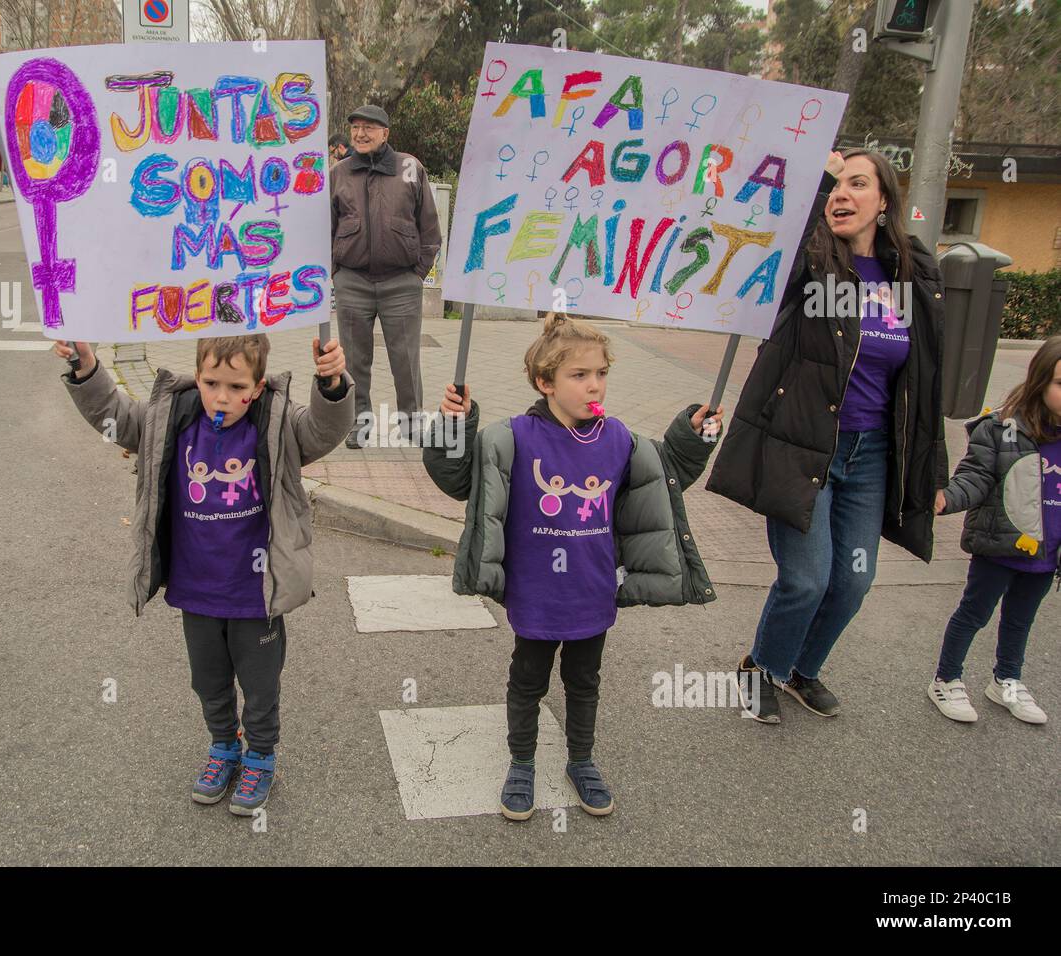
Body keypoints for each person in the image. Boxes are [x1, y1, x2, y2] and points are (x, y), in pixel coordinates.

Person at [423, 314, 723, 820]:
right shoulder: (512, 438)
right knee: (528, 680)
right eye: (579, 375)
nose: (594, 385)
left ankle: (581, 760)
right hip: (536, 592)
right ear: (546, 382)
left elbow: (665, 475)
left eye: (601, 373)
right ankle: (521, 763)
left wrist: (699, 434)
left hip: (593, 590)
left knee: (585, 681)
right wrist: (454, 425)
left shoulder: (618, 439)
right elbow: (456, 477)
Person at [54, 334, 353, 814]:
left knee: (260, 685)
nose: (222, 397)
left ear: (257, 387)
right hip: (196, 590)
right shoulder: (172, 416)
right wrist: (87, 369)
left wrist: (332, 384)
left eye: (236, 387)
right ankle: (223, 746)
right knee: (209, 681)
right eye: (211, 383)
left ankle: (260, 755)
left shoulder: (275, 421)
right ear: (197, 377)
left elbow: (322, 430)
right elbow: (116, 417)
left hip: (256, 593)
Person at [706, 148, 948, 724]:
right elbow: (777, 245)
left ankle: (799, 669)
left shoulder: (909, 274)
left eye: (857, 184)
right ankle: (761, 667)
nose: (843, 193)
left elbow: (925, 382)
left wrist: (933, 471)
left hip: (872, 457)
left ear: (884, 201)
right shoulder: (811, 264)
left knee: (854, 580)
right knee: (806, 581)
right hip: (804, 447)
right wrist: (819, 178)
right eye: (837, 186)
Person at [928, 336, 1061, 725]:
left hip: (1046, 553)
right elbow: (975, 476)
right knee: (974, 613)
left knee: (1020, 620)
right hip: (999, 545)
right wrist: (946, 498)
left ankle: (1006, 680)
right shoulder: (1002, 429)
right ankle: (946, 679)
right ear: (1040, 381)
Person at [331, 104, 441, 448]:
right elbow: (326, 227)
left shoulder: (410, 168)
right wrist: (336, 273)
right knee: (354, 360)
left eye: (369, 127)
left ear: (385, 133)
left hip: (401, 283)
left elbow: (429, 227)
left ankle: (412, 424)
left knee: (406, 361)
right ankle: (357, 424)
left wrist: (417, 273)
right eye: (355, 127)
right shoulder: (339, 173)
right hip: (352, 282)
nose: (360, 133)